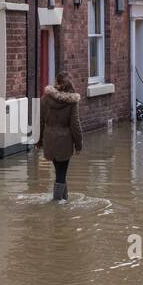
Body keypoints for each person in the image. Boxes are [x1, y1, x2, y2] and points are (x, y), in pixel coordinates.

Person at [38, 71, 83, 201]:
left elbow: (40, 121)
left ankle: (64, 199)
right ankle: (57, 203)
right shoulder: (72, 102)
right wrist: (79, 144)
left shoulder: (45, 99)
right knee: (62, 172)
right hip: (65, 141)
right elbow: (75, 125)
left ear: (56, 82)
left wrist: (39, 140)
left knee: (59, 171)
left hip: (49, 139)